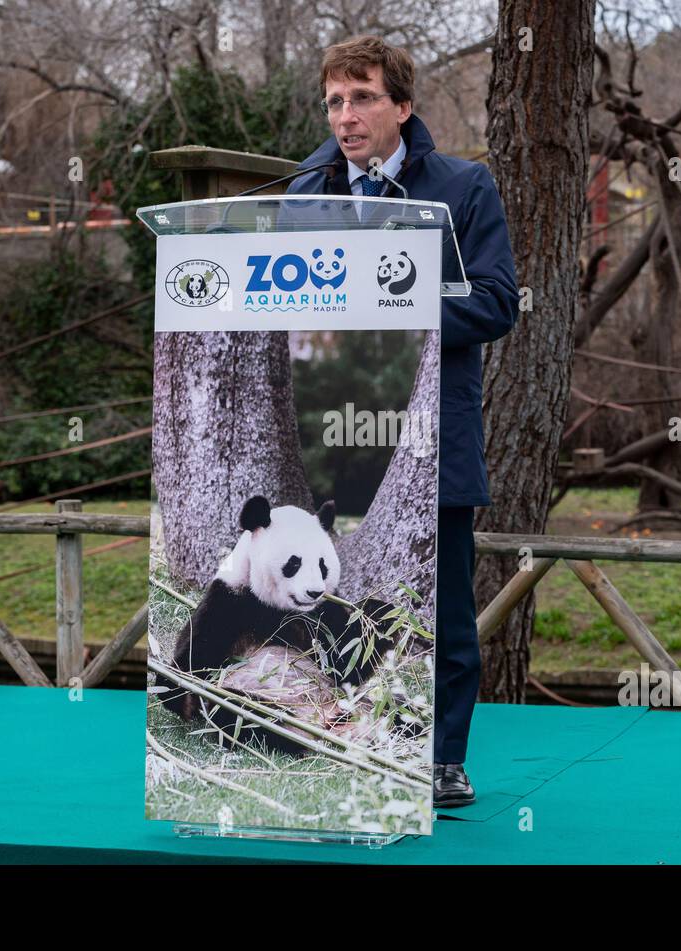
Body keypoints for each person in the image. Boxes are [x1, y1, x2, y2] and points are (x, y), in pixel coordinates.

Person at [286, 35, 519, 809]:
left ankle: (442, 760)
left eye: (361, 98)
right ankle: (326, 735)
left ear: (402, 106)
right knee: (329, 595)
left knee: (442, 611)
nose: (344, 117)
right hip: (326, 436)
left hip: (426, 441)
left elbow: (494, 303)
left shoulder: (461, 187)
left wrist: (397, 314)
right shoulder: (301, 194)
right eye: (334, 102)